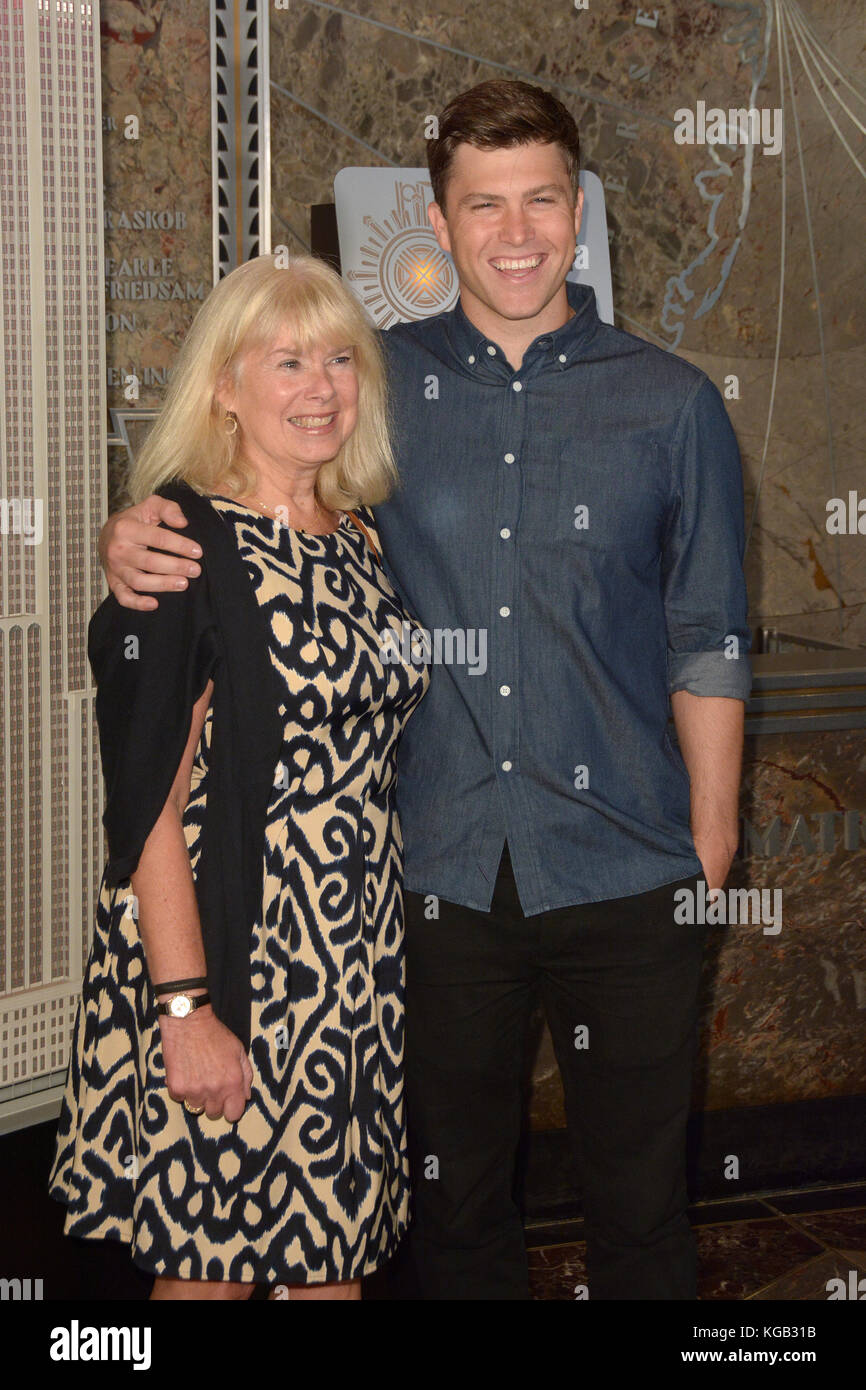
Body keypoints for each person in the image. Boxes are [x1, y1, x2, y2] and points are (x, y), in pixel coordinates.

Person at [98, 80, 751, 1300]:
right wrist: (129, 535)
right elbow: (245, 488)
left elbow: (707, 633)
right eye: (481, 205)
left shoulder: (669, 403)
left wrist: (707, 847)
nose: (515, 232)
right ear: (438, 227)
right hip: (431, 877)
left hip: (627, 868)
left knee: (643, 1214)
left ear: (577, 209)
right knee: (450, 1225)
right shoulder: (372, 388)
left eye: (539, 200)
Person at [49, 252, 430, 1299]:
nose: (321, 387)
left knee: (331, 1260)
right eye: (287, 361)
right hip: (234, 958)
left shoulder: (359, 534)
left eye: (341, 359)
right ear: (224, 385)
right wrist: (185, 1011)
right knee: (210, 1267)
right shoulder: (181, 544)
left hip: (350, 971)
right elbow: (150, 808)